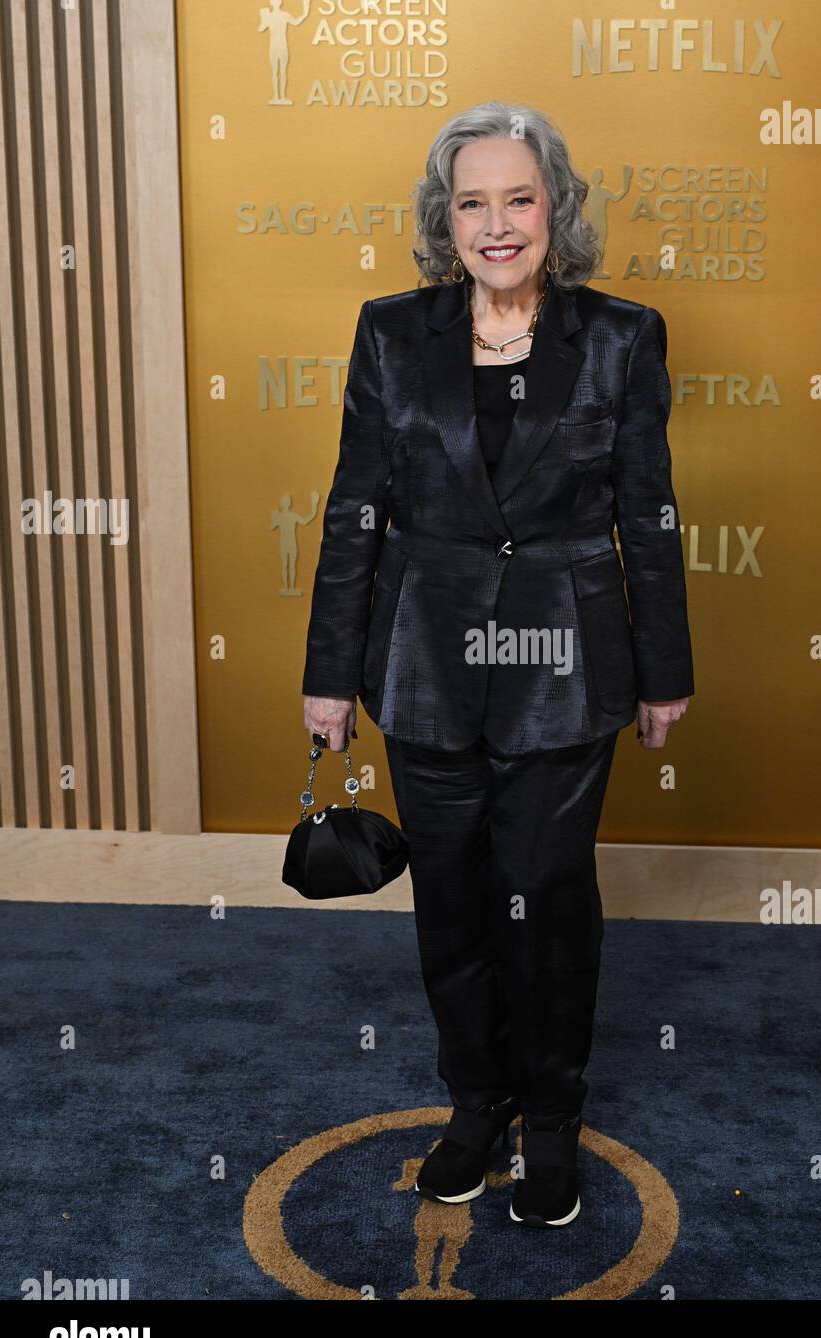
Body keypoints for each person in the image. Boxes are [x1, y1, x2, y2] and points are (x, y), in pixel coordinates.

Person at [301, 101, 693, 1229]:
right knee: (454, 903)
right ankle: (475, 1107)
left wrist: (663, 669)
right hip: (423, 667)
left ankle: (554, 1120)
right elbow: (352, 514)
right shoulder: (389, 333)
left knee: (547, 900)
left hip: (566, 670)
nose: (496, 222)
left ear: (555, 209)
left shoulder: (621, 336)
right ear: (445, 219)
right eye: (471, 201)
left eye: (518, 197)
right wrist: (329, 674)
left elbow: (648, 516)